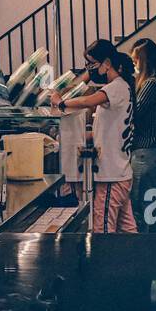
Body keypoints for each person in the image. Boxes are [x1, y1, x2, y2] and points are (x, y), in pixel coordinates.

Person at [51, 38, 137, 233]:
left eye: (92, 64)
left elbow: (88, 101)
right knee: (127, 229)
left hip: (111, 175)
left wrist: (61, 102)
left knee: (102, 229)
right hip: (120, 173)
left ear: (107, 63)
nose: (89, 69)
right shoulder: (122, 86)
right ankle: (133, 262)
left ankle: (104, 263)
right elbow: (108, 130)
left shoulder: (115, 87)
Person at [129, 37, 156, 233]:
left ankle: (142, 255)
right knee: (152, 209)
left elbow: (134, 113)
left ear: (144, 61)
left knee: (139, 207)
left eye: (136, 60)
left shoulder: (151, 84)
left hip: (145, 154)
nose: (134, 65)